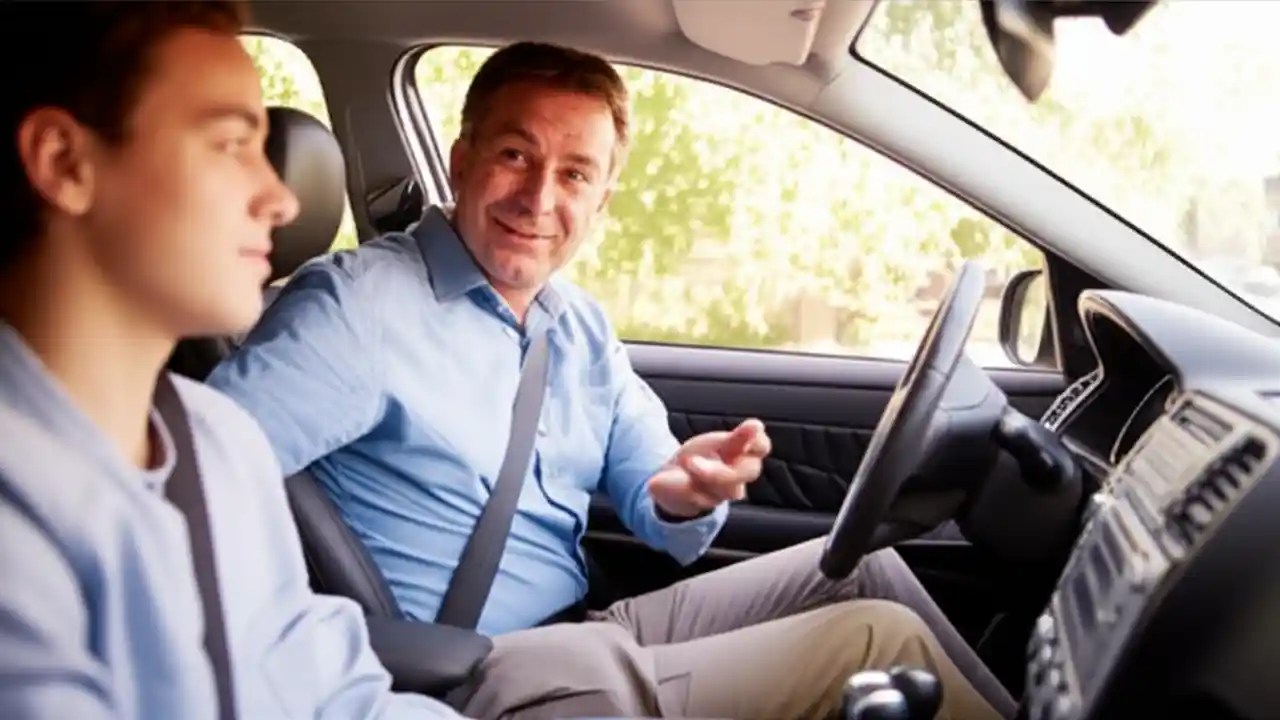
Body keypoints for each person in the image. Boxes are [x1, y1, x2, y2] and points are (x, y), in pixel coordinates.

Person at [207, 41, 1013, 719]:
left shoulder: (578, 328)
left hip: (592, 631)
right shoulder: (356, 308)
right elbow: (190, 482)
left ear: (601, 199)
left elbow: (656, 497)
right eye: (515, 155)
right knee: (876, 642)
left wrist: (689, 490)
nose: (538, 198)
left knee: (867, 572)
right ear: (463, 160)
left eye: (575, 174)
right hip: (473, 676)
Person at [0, 3, 468, 718]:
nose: (280, 199)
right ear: (67, 163)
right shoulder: (20, 508)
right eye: (229, 145)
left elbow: (340, 695)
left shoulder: (218, 441)